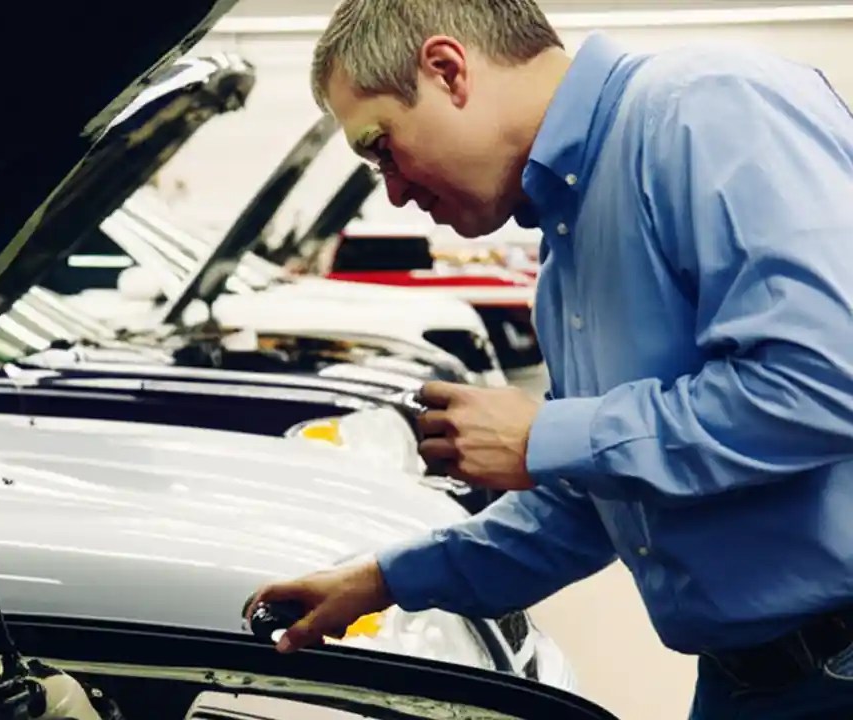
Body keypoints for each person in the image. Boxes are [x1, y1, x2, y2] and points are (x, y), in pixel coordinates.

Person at [245, 1, 853, 718]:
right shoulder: (568, 250)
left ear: (447, 70)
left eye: (381, 147)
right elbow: (596, 500)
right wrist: (383, 581)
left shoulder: (706, 108)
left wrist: (546, 436)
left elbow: (822, 381)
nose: (396, 190)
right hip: (751, 682)